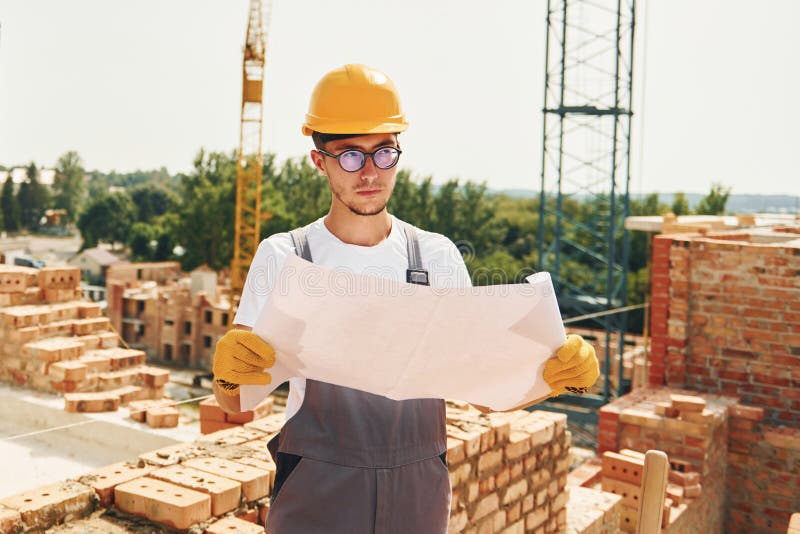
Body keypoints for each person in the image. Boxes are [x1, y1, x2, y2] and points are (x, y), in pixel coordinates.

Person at [212, 64, 599, 534]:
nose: (371, 172)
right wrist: (229, 378)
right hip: (318, 488)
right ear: (319, 161)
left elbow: (482, 393)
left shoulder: (435, 256)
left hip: (419, 489)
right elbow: (234, 406)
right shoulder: (287, 257)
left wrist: (547, 377)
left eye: (384, 153)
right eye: (351, 156)